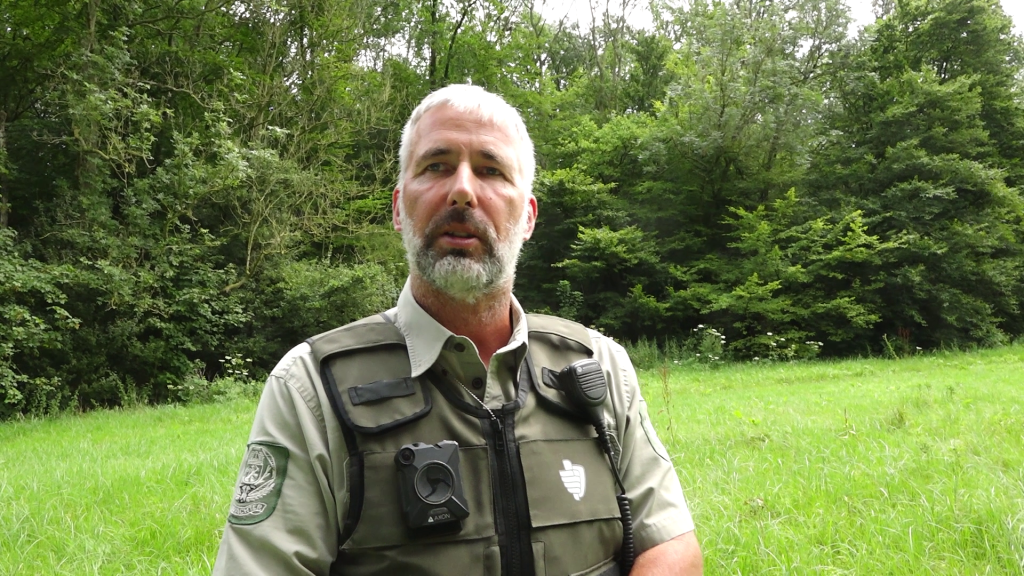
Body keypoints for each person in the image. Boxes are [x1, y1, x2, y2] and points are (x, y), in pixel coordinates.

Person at [213, 84, 703, 576]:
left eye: (491, 170)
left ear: (528, 217)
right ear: (399, 208)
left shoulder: (597, 366)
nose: (463, 190)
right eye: (436, 166)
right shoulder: (312, 387)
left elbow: (671, 544)